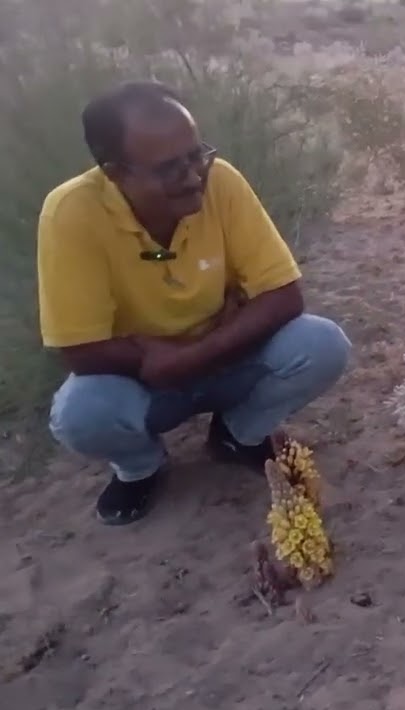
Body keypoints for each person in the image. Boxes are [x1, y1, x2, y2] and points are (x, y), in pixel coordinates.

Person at [37, 80, 351, 527]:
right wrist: (196, 346)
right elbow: (79, 349)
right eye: (168, 169)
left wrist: (191, 356)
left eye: (195, 155)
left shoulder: (220, 181)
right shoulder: (70, 212)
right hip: (147, 381)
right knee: (81, 414)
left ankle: (238, 435)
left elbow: (284, 296)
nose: (192, 176)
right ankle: (141, 467)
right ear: (115, 173)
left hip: (215, 357)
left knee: (322, 344)